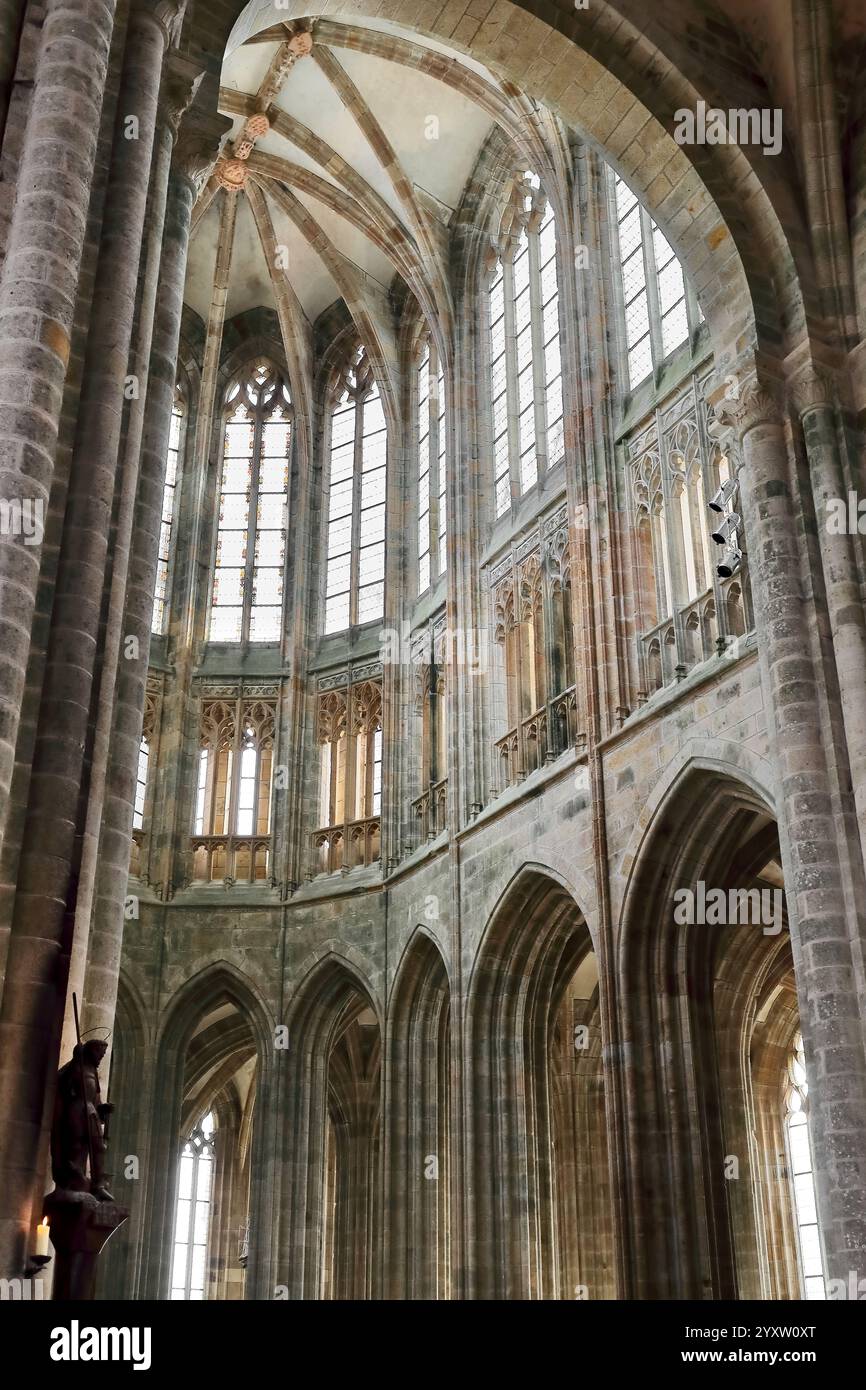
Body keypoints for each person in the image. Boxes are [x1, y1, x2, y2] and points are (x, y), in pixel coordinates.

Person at [50, 1037, 115, 1200]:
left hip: (91, 1112)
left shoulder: (93, 1071)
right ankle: (72, 1179)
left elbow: (96, 1098)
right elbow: (61, 1084)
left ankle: (98, 1184)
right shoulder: (75, 1067)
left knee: (98, 1147)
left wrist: (103, 1108)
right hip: (76, 1111)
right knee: (75, 1147)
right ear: (91, 1051)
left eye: (103, 1054)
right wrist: (74, 1059)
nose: (101, 1057)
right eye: (100, 1053)